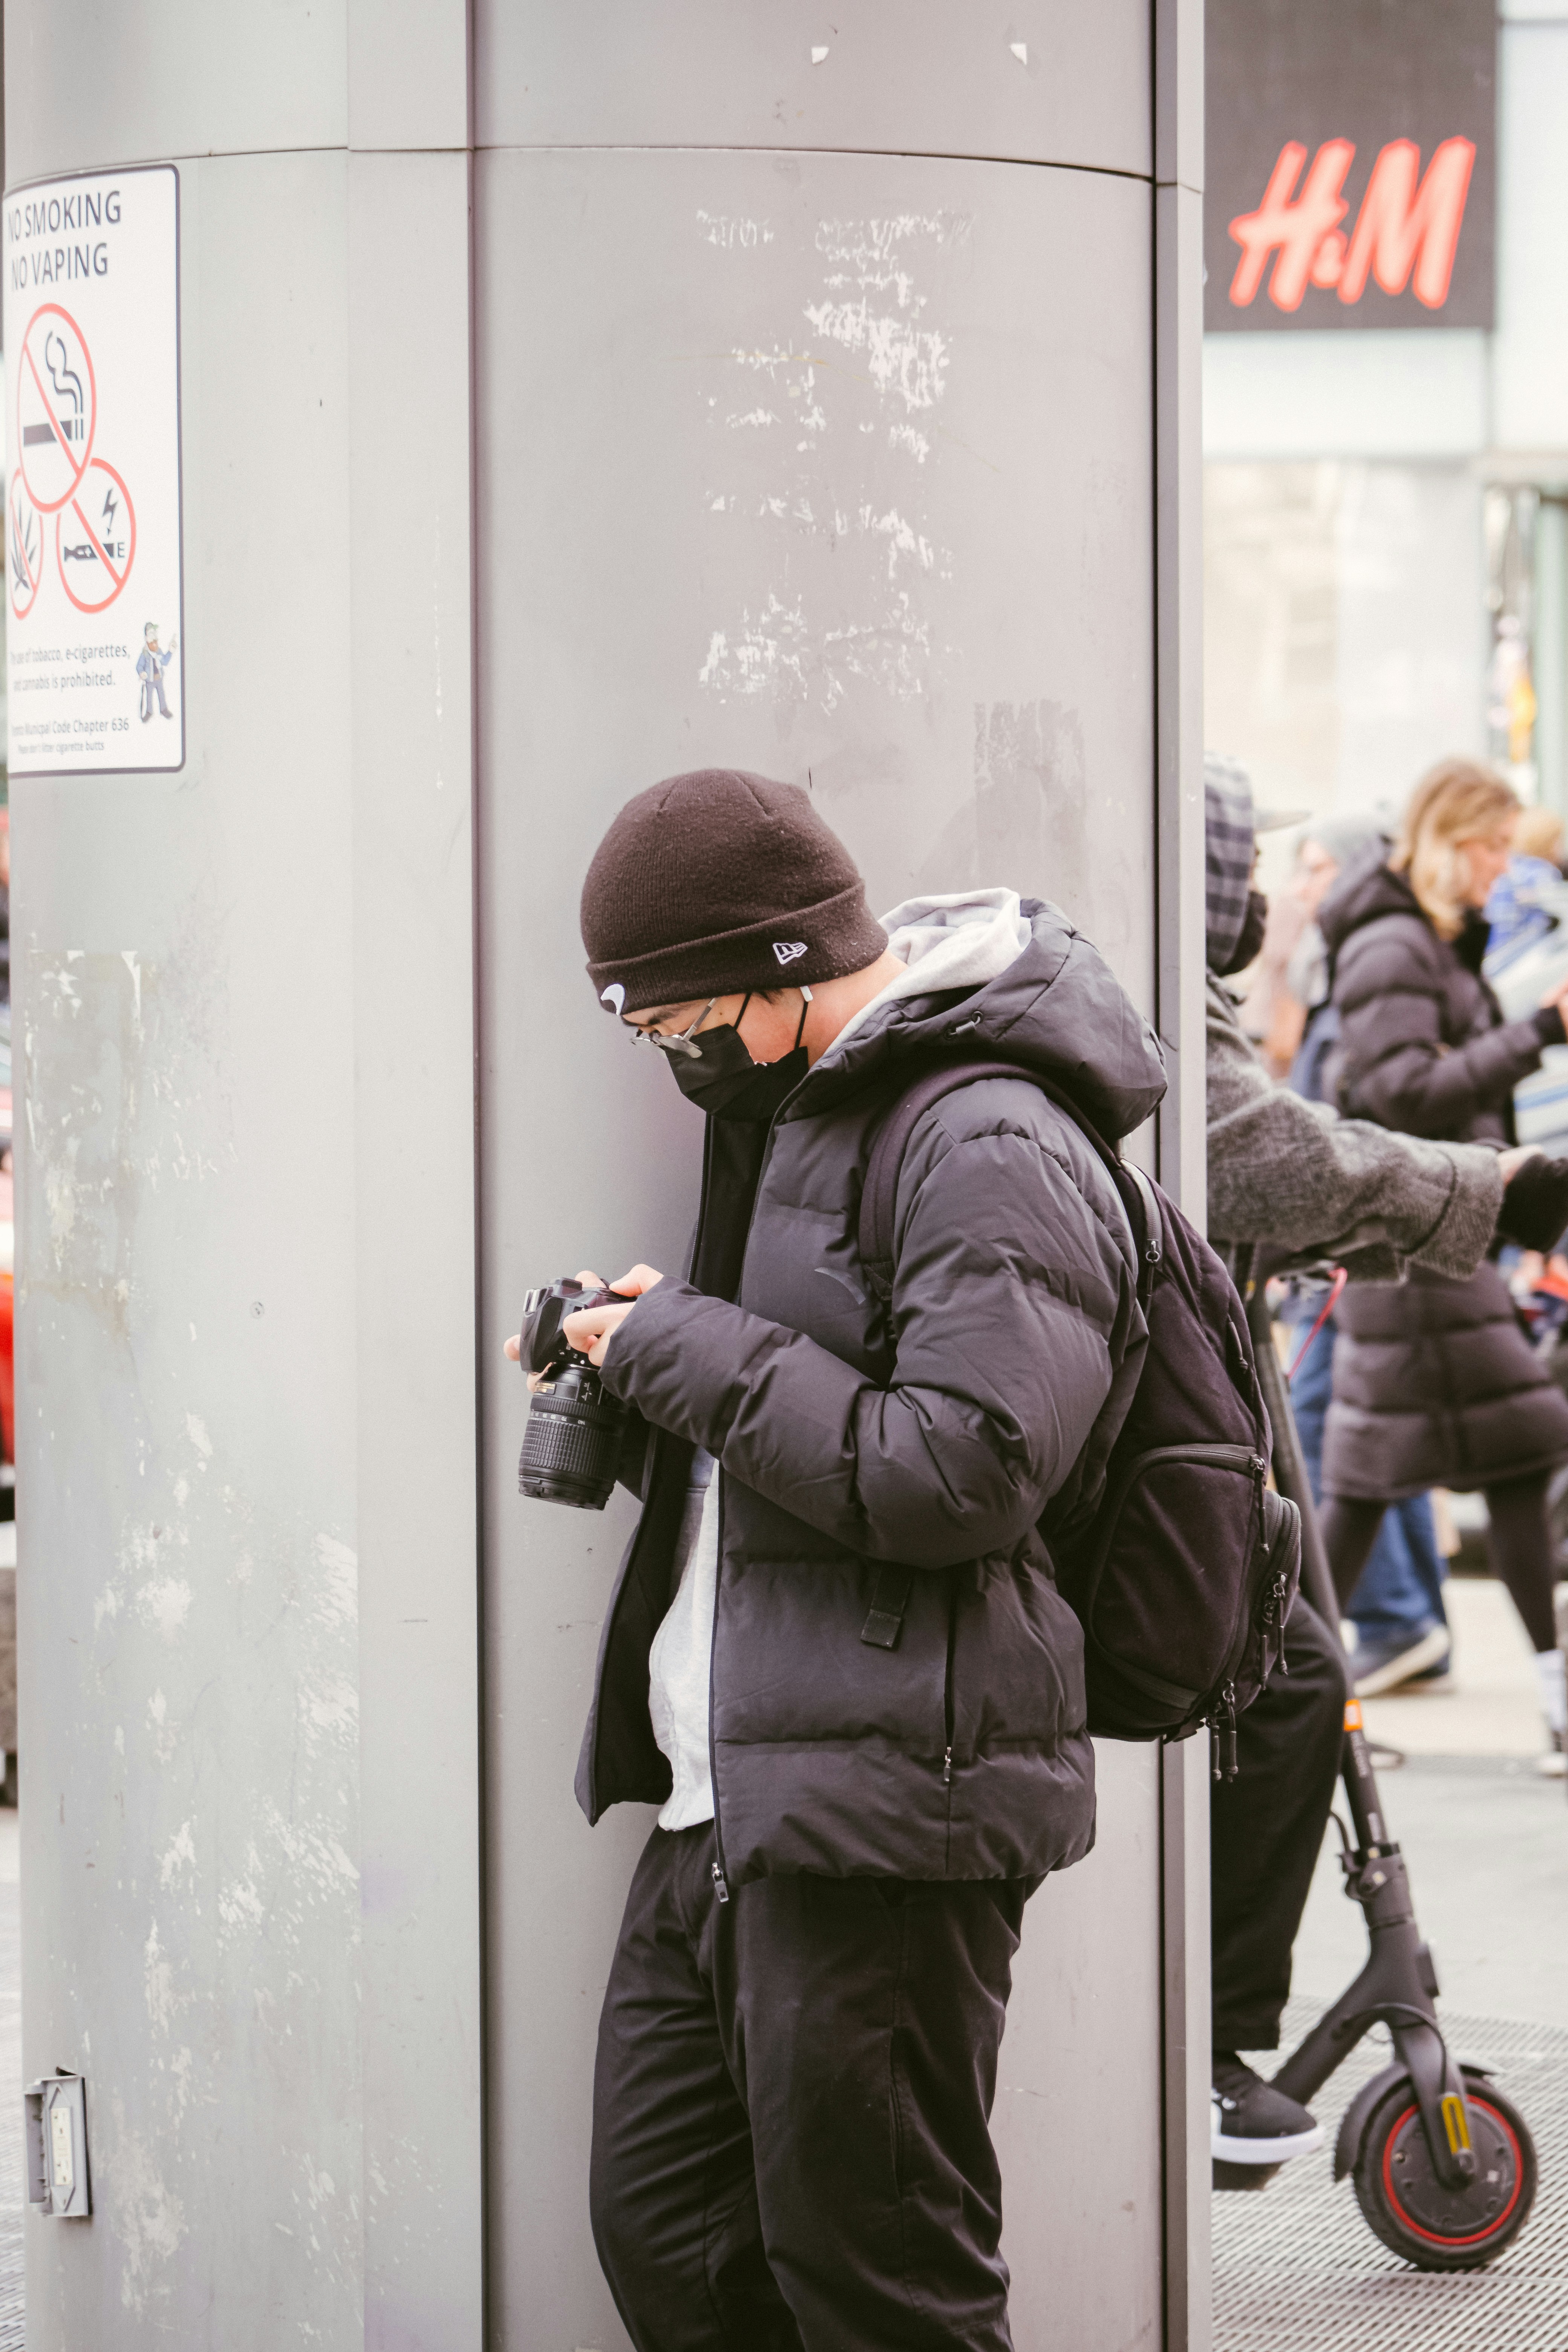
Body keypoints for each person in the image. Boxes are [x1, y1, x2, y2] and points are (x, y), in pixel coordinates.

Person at [509, 767, 1166, 2350]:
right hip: (726, 1789)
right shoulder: (795, 1116)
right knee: (672, 2234)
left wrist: (679, 1345)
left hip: (884, 1814)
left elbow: (965, 1466)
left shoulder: (986, 1134)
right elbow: (792, 1408)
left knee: (883, 2286)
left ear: (784, 970)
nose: (667, 1059)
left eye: (675, 1022)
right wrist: (637, 1343)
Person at [1199, 753, 1565, 2171]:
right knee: (1295, 1673)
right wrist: (1511, 1152)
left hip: (1383, 1261)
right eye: (1251, 871)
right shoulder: (1380, 947)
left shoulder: (1362, 950)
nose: (1275, 896)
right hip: (1408, 1257)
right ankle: (1210, 2047)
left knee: (1317, 1628)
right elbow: (1308, 1135)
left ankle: (1214, 2035)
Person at [1320, 758, 1568, 1772]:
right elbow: (1400, 1090)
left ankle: (1296, 1695)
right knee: (1381, 1474)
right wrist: (1543, 1033)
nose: (1502, 868)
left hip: (1432, 1230)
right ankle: (1291, 1693)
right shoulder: (1392, 940)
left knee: (1421, 1466)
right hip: (1419, 1236)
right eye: (1492, 846)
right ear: (1450, 838)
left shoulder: (1424, 937)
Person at [1282, 810, 1453, 1692]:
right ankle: (1411, 1620)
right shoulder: (1346, 955)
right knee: (1389, 1428)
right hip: (1354, 1225)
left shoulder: (1364, 952)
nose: (1302, 886)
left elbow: (1368, 1099)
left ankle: (1393, 1617)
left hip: (1346, 1231)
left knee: (1324, 1424)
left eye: (1314, 867)